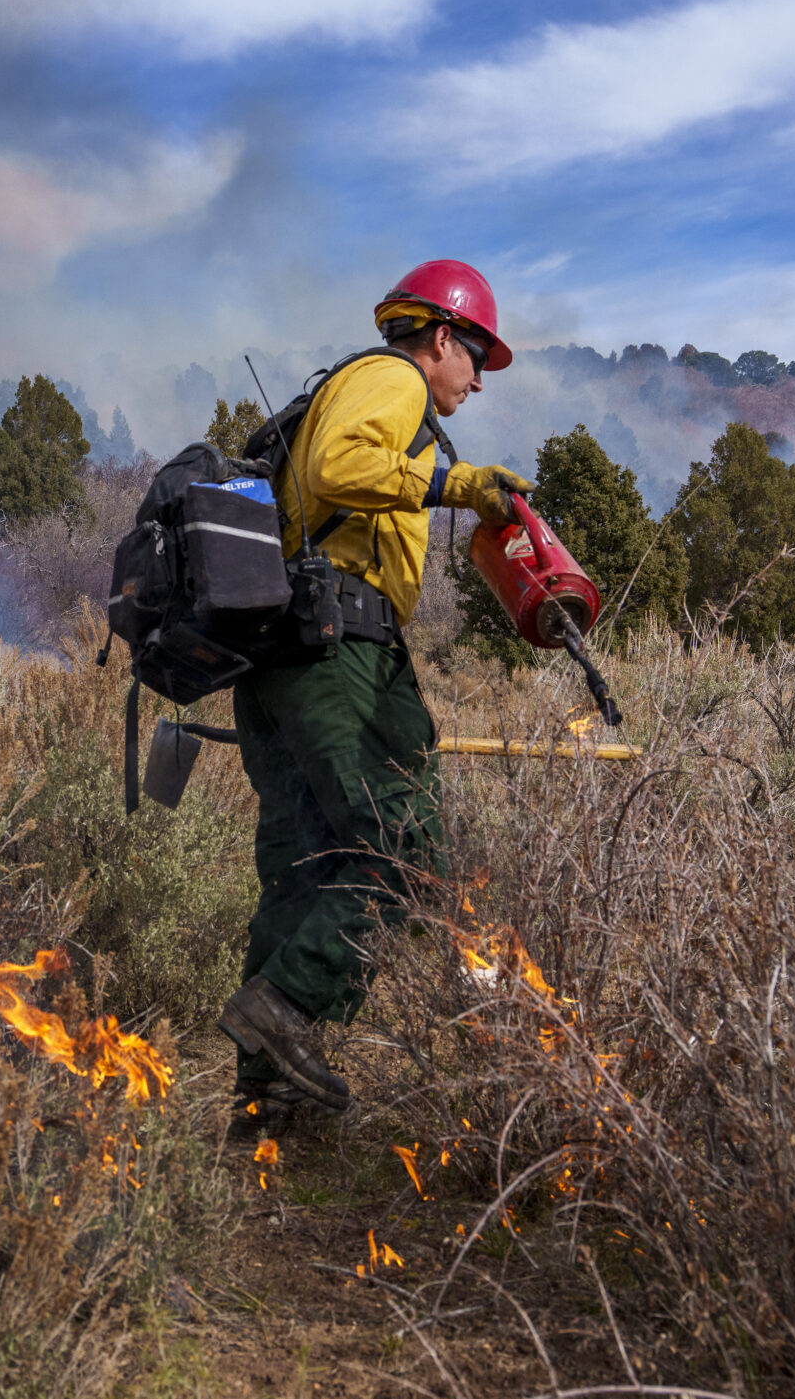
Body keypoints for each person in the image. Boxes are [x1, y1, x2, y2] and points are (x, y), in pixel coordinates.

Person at [218, 260, 533, 1129]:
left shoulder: (356, 385)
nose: (475, 382)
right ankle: (282, 1011)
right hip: (338, 650)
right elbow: (337, 466)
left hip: (278, 659)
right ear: (442, 340)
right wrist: (456, 484)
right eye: (477, 360)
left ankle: (268, 1110)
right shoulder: (392, 378)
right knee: (408, 854)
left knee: (301, 870)